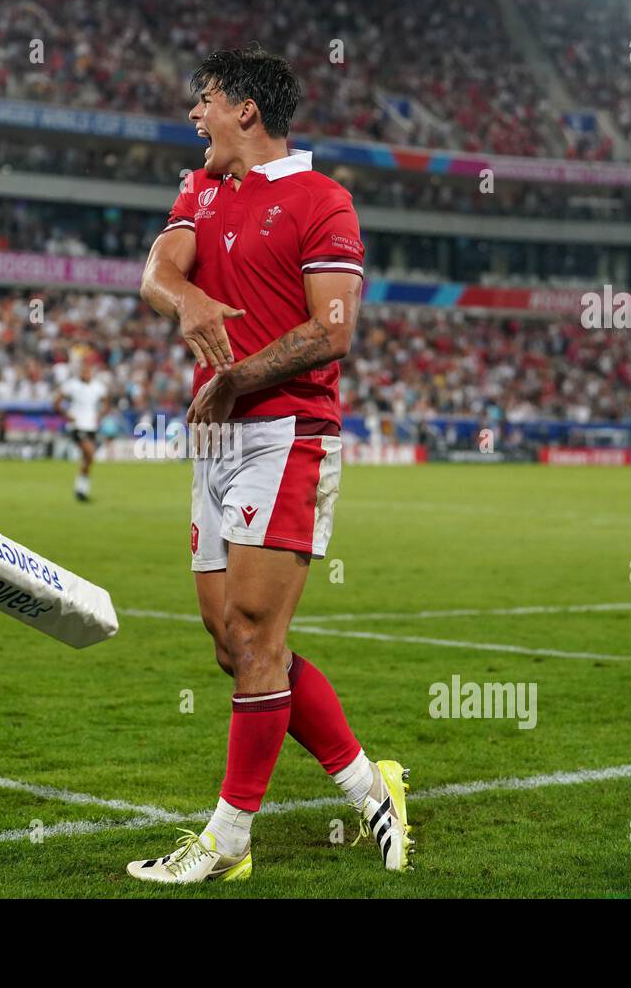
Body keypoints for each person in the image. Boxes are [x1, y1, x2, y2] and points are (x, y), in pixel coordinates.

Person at [130, 48, 409, 884]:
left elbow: (332, 330)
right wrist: (188, 300)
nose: (195, 117)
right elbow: (157, 271)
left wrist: (234, 379)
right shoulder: (200, 187)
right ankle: (372, 786)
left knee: (256, 635)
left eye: (204, 102)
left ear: (246, 110)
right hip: (215, 436)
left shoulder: (323, 200)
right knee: (233, 642)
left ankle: (227, 844)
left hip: (286, 430)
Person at [53, 356, 108, 501]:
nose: (86, 373)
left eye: (88, 371)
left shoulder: (98, 387)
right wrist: (67, 415)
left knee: (87, 459)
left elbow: (106, 403)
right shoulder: (72, 385)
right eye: (83, 371)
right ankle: (81, 488)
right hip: (77, 425)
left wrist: (100, 415)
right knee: (90, 454)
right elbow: (56, 402)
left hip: (91, 426)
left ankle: (81, 490)